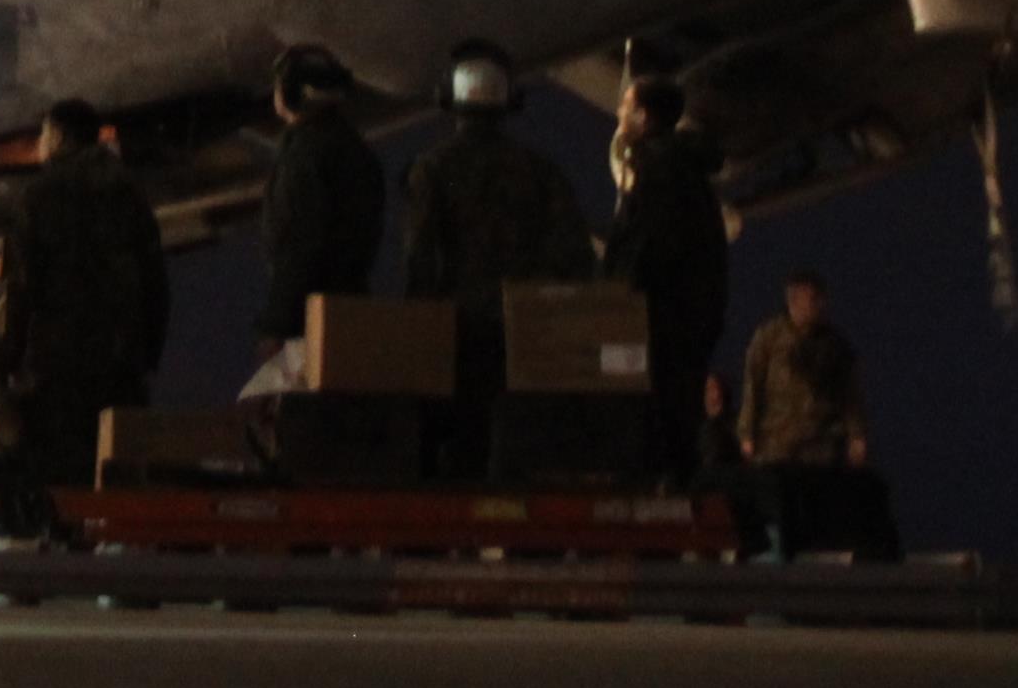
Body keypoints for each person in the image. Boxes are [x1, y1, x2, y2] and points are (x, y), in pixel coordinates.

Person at [401, 42, 593, 469]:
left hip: (454, 337)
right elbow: (573, 257)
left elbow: (420, 259)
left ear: (450, 99)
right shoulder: (540, 171)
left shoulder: (431, 169)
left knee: (453, 460)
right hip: (524, 336)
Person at [0, 98, 171, 489]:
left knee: (58, 480)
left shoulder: (38, 197)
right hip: (121, 364)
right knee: (116, 475)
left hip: (56, 367)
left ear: (56, 135)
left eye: (42, 134)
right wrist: (147, 352)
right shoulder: (131, 195)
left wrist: (4, 358)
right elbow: (155, 279)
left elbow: (18, 286)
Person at [605, 72, 735, 480]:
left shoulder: (655, 172)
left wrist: (607, 300)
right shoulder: (690, 174)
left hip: (656, 328)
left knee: (647, 437)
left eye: (626, 106)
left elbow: (639, 250)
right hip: (691, 326)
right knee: (680, 432)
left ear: (643, 117)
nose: (619, 114)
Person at [247, 45, 386, 393]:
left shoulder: (305, 155)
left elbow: (299, 245)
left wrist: (276, 328)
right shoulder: (356, 151)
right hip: (352, 317)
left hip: (308, 327)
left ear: (294, 93)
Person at [731, 268, 893, 559]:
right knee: (781, 511)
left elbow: (849, 395)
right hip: (778, 447)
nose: (818, 305)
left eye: (820, 298)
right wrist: (746, 435)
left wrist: (857, 436)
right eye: (811, 298)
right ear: (793, 300)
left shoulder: (835, 345)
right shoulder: (769, 337)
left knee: (827, 510)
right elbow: (752, 385)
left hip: (820, 448)